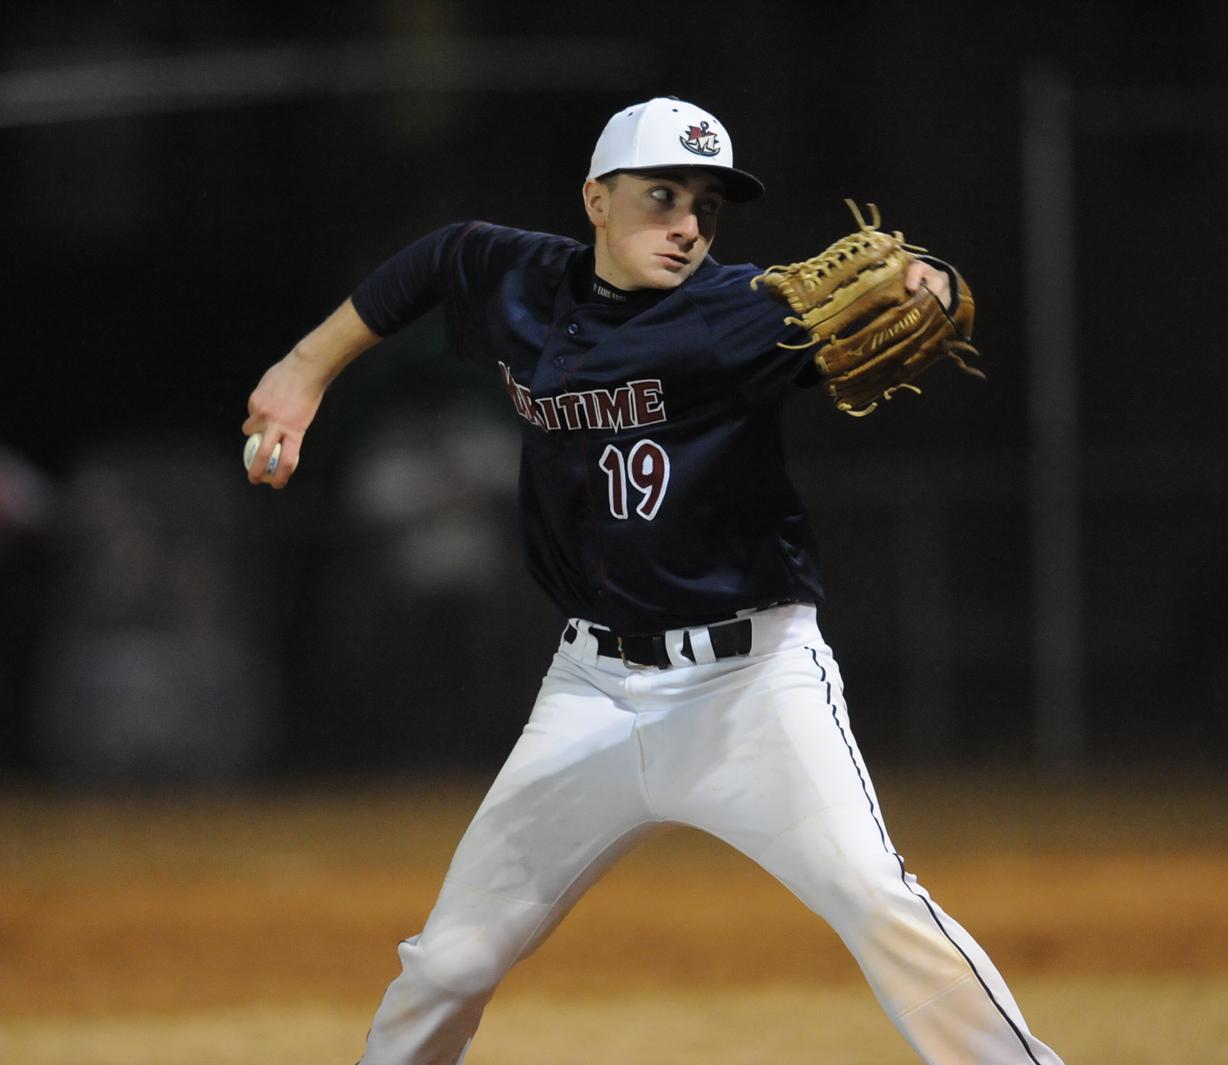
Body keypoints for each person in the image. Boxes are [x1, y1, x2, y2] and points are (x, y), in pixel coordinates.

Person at [243, 97, 1063, 1065]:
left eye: (706, 208)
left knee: (878, 902)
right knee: (450, 961)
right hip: (589, 690)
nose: (687, 226)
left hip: (749, 688)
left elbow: (918, 283)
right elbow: (434, 261)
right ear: (595, 198)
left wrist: (934, 280)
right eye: (662, 196)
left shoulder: (741, 313)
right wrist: (303, 370)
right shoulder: (520, 282)